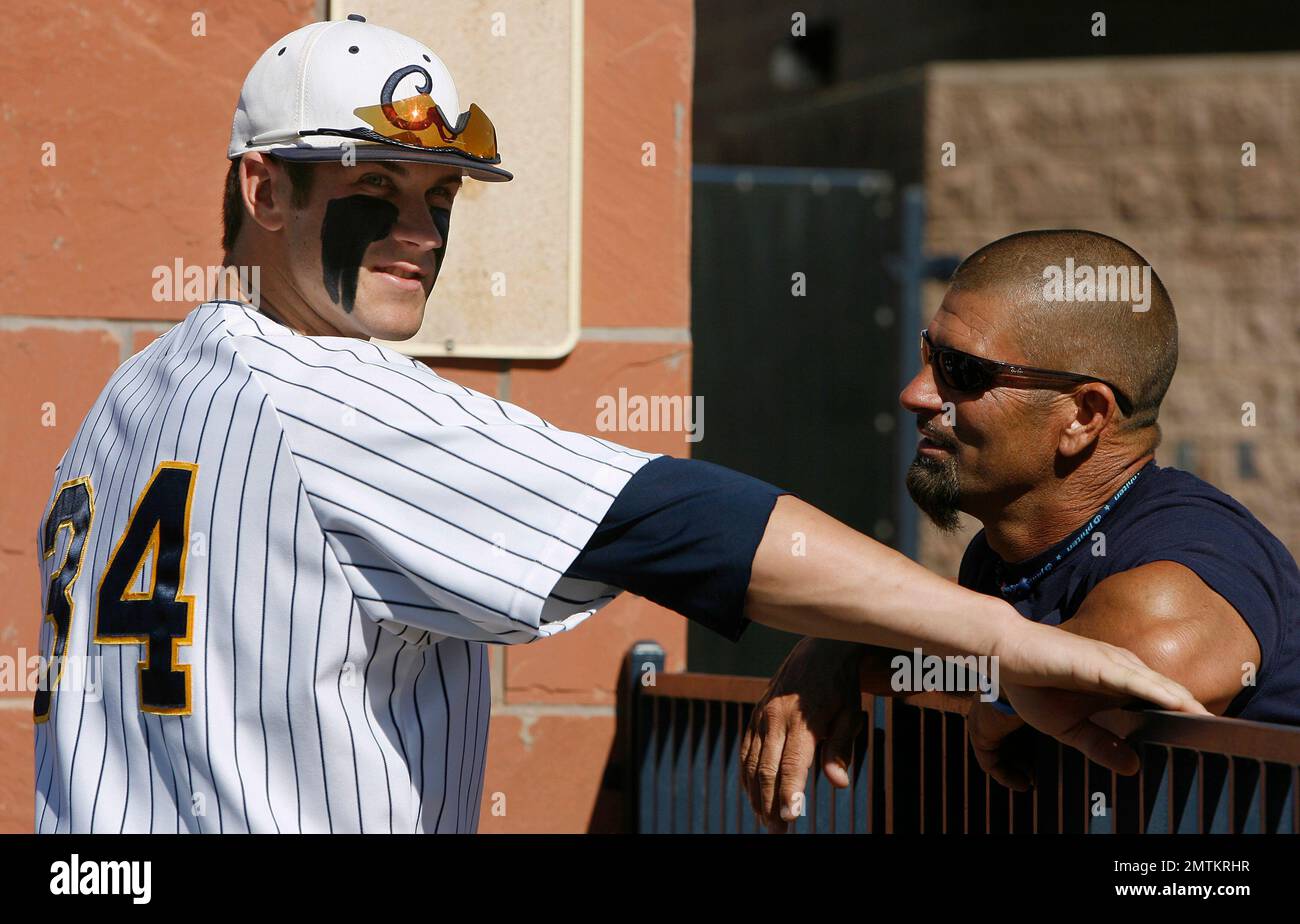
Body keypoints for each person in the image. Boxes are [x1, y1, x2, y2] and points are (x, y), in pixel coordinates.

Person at [34, 20, 1203, 834]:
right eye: (374, 190)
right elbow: (682, 520)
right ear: (264, 189)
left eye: (439, 197)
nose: (422, 232)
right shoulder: (318, 399)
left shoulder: (128, 396)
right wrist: (1014, 639)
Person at [741, 229, 1299, 830]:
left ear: (1083, 416)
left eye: (961, 371)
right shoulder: (999, 560)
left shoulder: (1194, 540)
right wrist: (838, 643)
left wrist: (1001, 696)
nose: (915, 394)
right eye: (930, 356)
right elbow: (969, 655)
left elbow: (1152, 662)